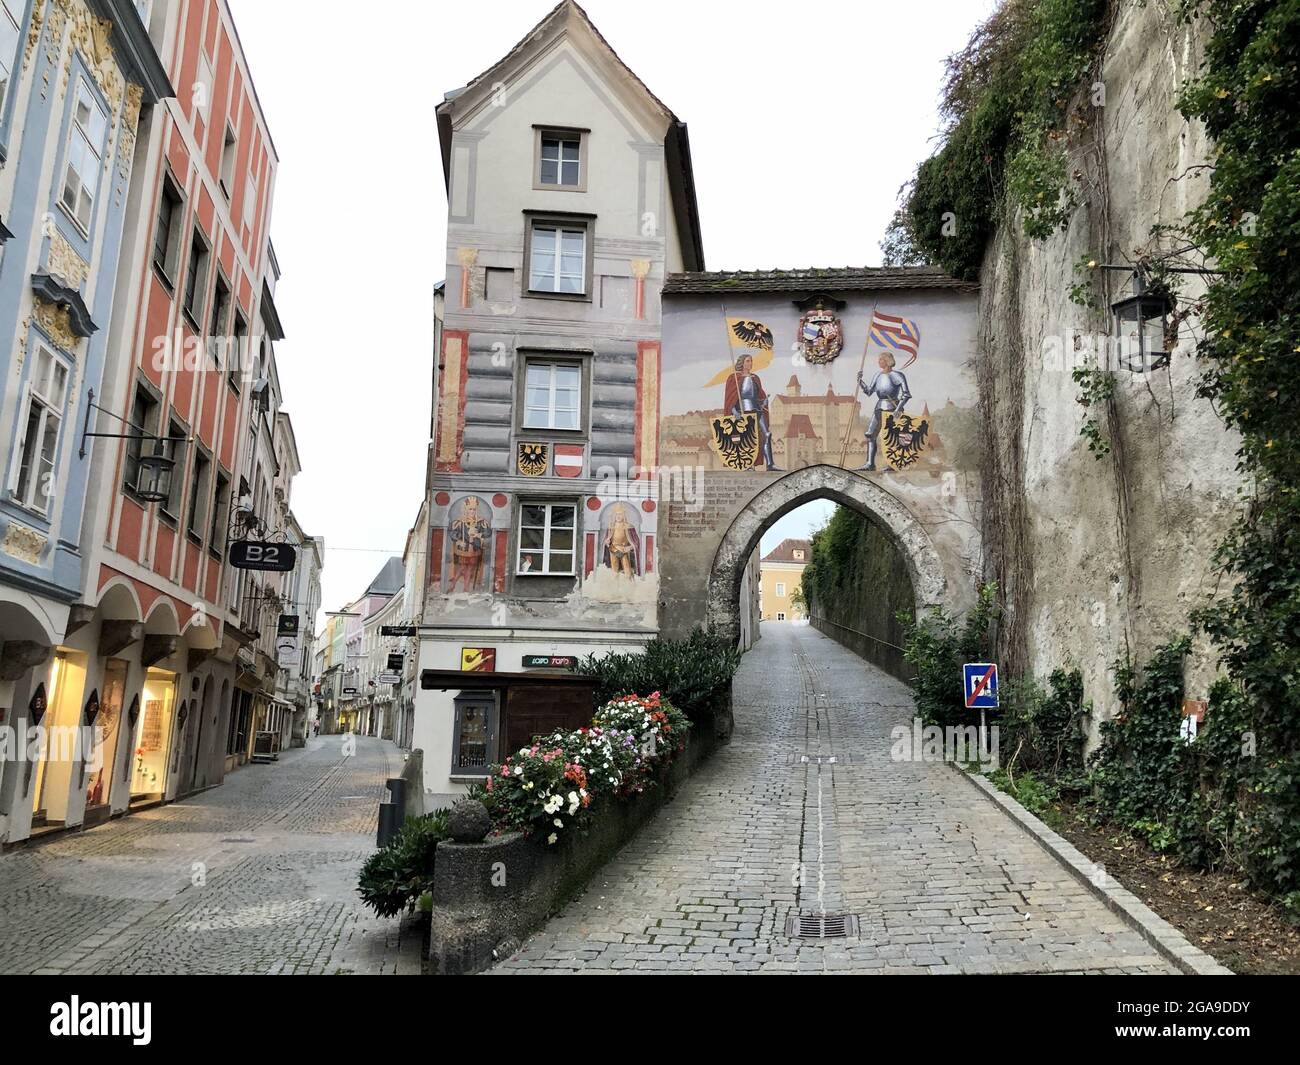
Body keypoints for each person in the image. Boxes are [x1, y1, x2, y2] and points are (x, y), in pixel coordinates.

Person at [723, 353, 782, 471]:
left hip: (757, 409)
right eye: (748, 361)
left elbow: (758, 396)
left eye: (751, 361)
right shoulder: (734, 378)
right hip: (742, 410)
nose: (750, 363)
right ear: (742, 363)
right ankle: (748, 464)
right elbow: (730, 398)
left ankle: (770, 464)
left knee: (766, 434)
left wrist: (763, 401)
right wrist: (734, 412)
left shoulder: (755, 378)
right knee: (748, 437)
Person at [856, 351, 911, 471]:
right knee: (871, 435)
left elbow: (906, 394)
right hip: (879, 406)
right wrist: (860, 381)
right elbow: (869, 391)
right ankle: (870, 464)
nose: (878, 362)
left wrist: (897, 409)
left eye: (881, 359)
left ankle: (892, 464)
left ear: (887, 361)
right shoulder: (877, 375)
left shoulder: (897, 375)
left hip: (892, 408)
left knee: (891, 437)